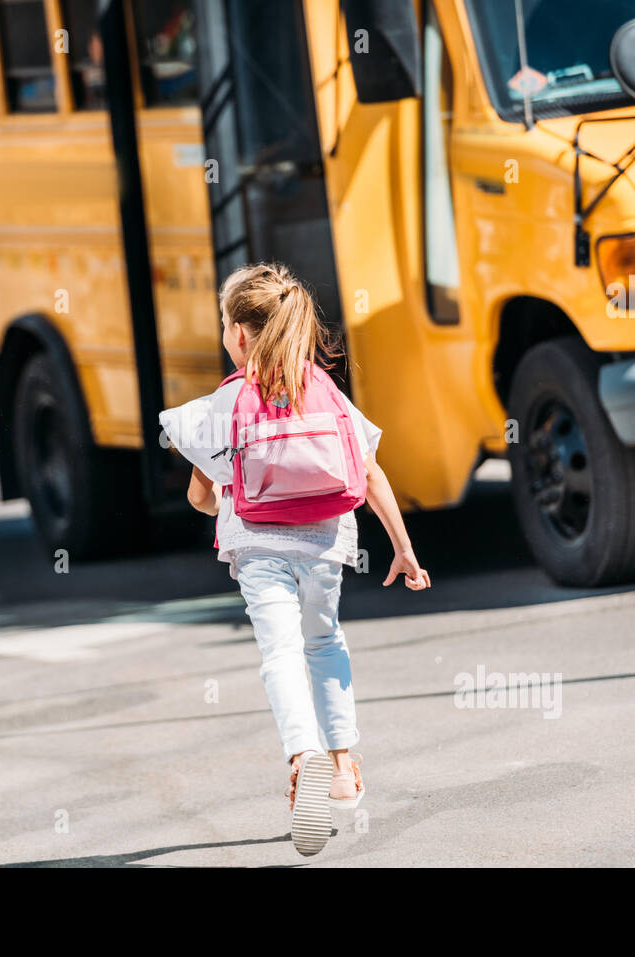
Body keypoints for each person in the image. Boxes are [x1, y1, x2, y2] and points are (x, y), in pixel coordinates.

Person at [158, 263, 431, 857]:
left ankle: (300, 755)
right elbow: (371, 472)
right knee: (324, 642)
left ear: (238, 334)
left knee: (279, 653)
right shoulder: (324, 390)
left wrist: (219, 496)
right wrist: (404, 550)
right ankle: (340, 766)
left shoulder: (225, 401)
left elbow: (202, 496)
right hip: (326, 543)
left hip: (258, 547)